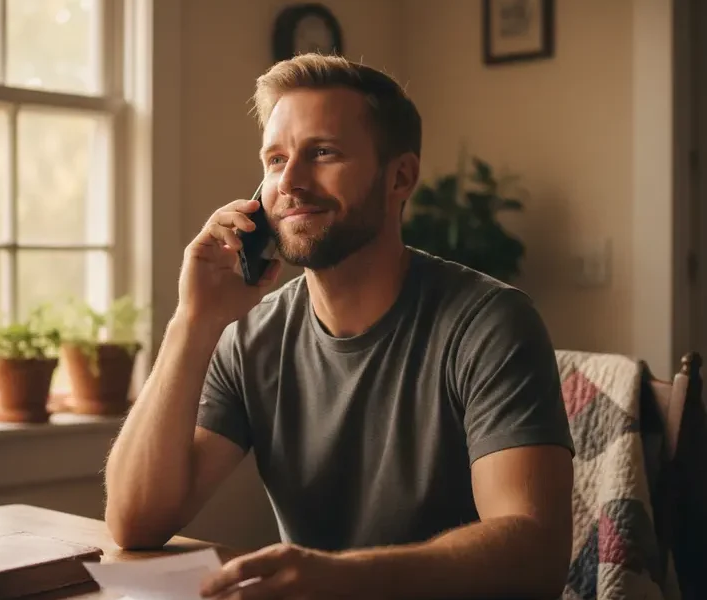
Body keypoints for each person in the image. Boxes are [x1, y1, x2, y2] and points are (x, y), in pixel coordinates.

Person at [104, 53, 575, 600]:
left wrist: (345, 578)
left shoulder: (490, 324)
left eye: (322, 153)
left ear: (400, 176)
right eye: (275, 160)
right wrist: (194, 320)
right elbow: (133, 523)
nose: (291, 182)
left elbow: (535, 553)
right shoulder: (250, 336)